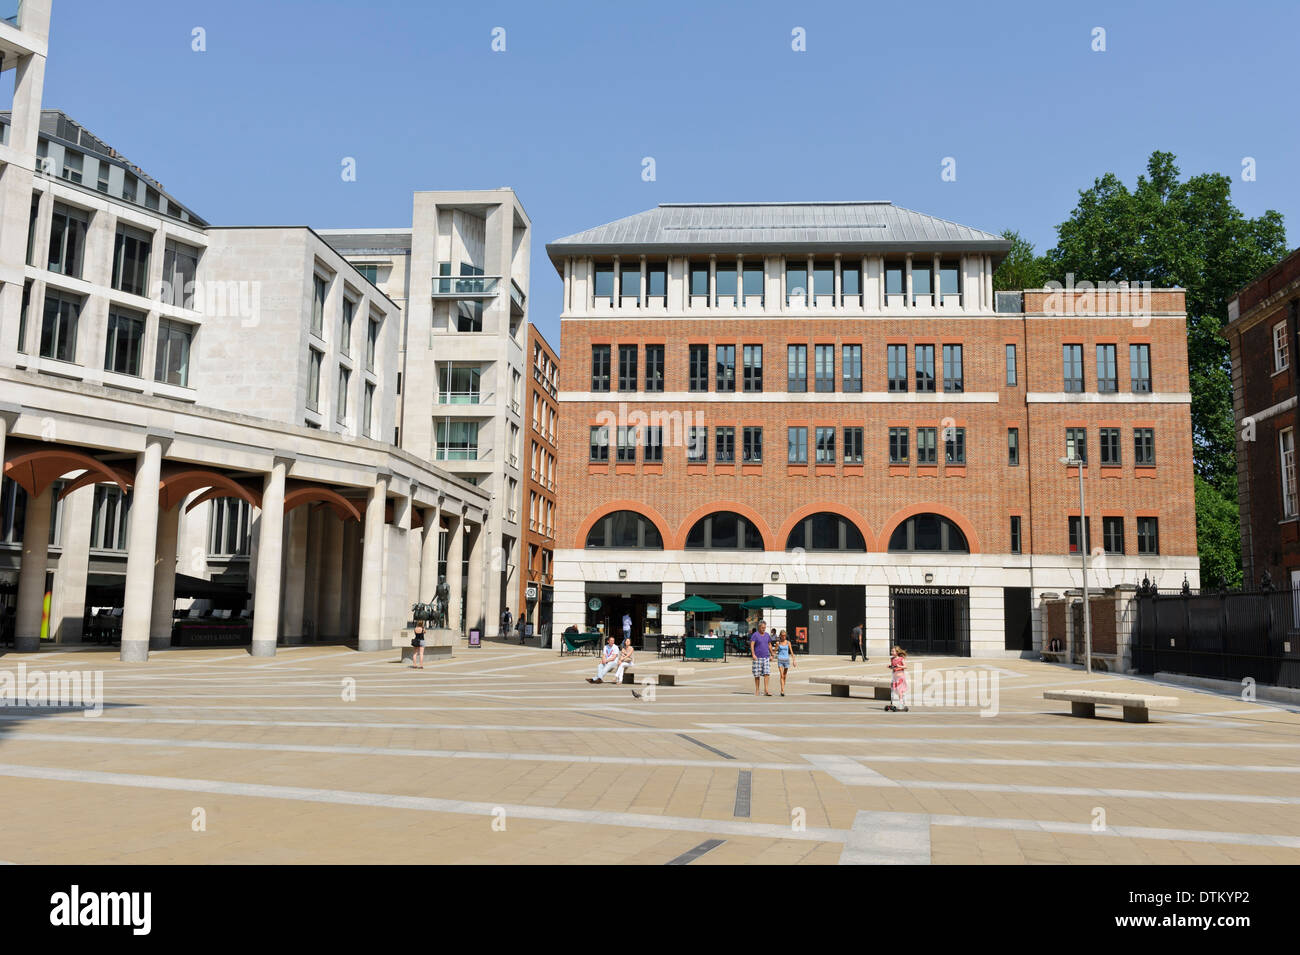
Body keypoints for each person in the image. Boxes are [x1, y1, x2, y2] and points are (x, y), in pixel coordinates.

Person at [750, 620, 773, 697]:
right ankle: (757, 690)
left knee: (767, 673)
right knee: (757, 675)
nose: (764, 629)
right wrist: (753, 654)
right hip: (757, 657)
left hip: (766, 657)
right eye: (762, 627)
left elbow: (769, 644)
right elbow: (752, 645)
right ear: (759, 627)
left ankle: (766, 690)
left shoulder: (767, 635)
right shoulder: (755, 635)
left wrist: (772, 654)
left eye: (765, 627)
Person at [886, 645, 909, 712]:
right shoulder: (892, 659)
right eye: (891, 651)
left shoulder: (901, 659)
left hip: (900, 676)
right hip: (894, 676)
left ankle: (901, 703)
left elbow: (905, 666)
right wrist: (890, 667)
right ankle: (893, 703)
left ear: (897, 652)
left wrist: (900, 666)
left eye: (893, 651)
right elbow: (893, 667)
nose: (891, 652)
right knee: (893, 689)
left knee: (899, 690)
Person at [775, 629, 795, 695]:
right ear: (780, 636)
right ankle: (782, 690)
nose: (783, 637)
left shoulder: (788, 642)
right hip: (780, 660)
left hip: (786, 660)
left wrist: (794, 661)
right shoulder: (778, 643)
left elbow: (791, 652)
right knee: (781, 675)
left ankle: (783, 688)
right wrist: (772, 656)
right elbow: (775, 651)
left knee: (784, 676)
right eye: (782, 636)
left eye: (784, 635)